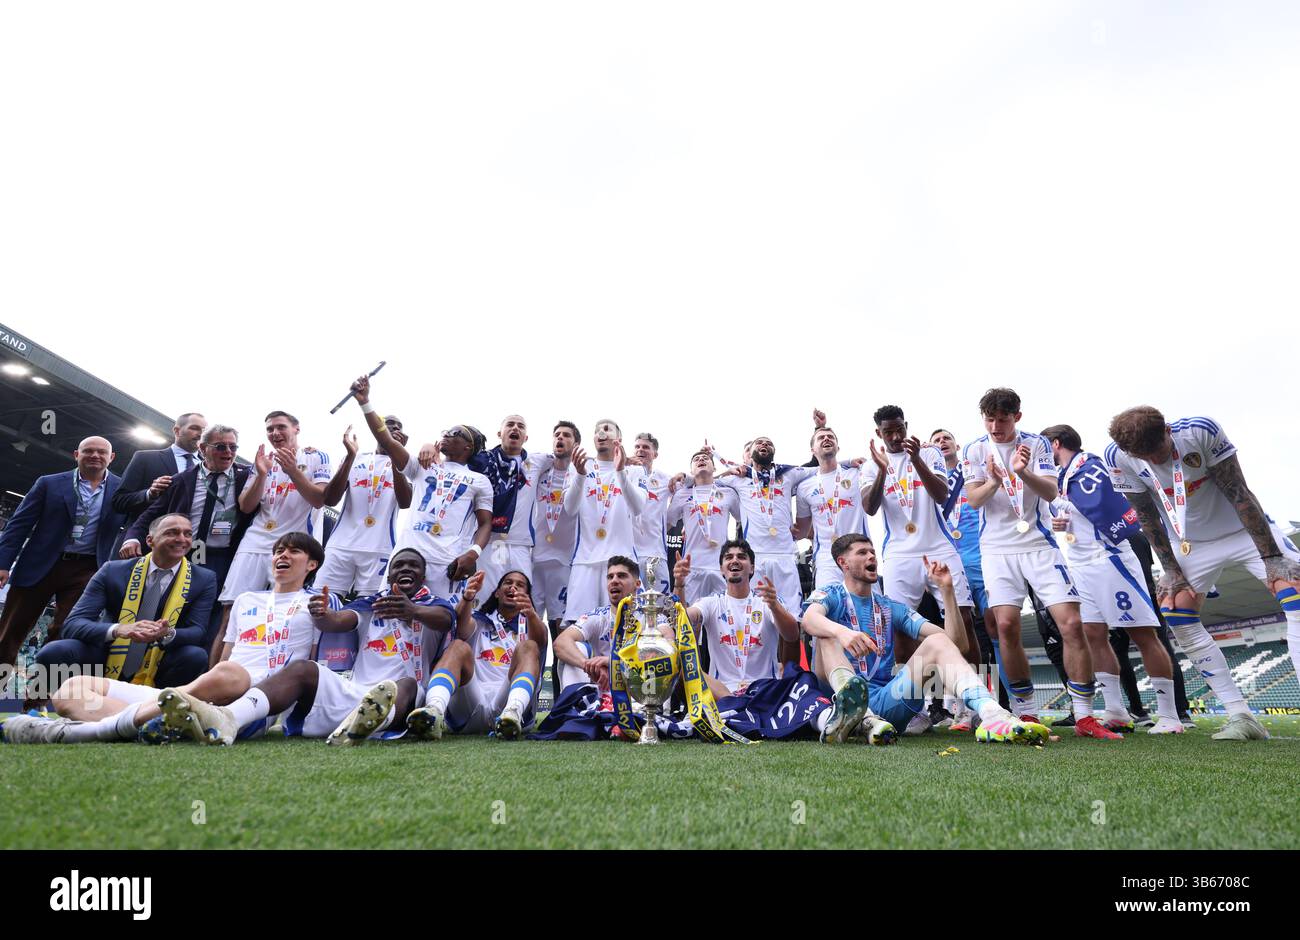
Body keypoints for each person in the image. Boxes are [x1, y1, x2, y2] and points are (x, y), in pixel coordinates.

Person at [1105, 407, 1300, 741]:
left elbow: (1239, 492)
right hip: (1191, 544)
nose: (1153, 460)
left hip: (1243, 532)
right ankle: (1240, 714)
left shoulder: (1200, 431)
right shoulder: (1117, 456)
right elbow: (1145, 515)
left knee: (1294, 592)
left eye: (1158, 452)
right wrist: (1170, 571)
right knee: (1176, 609)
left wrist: (1270, 557)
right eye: (1144, 457)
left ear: (1167, 430)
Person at [154, 547, 457, 746]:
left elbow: (445, 621)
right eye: (399, 565)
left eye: (413, 566)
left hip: (403, 699)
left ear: (423, 575)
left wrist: (412, 611)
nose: (406, 569)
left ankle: (373, 725)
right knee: (302, 669)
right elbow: (338, 622)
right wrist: (323, 615)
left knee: (402, 683)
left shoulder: (436, 604)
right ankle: (230, 717)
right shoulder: (370, 605)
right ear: (389, 575)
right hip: (357, 693)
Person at [959, 389, 1117, 739]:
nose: (995, 426)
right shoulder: (973, 449)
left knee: (1072, 624)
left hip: (1040, 546)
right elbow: (972, 500)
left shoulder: (1037, 445)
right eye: (989, 419)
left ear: (1017, 416)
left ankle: (1085, 717)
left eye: (1002, 418)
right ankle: (1027, 714)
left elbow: (1049, 492)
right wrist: (997, 480)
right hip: (997, 550)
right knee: (1006, 627)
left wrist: (1021, 472)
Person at [801, 534, 1050, 745]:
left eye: (873, 552)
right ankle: (856, 714)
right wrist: (842, 632)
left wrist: (947, 591)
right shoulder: (831, 594)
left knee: (937, 642)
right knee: (825, 633)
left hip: (885, 701)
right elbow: (809, 620)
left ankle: (992, 713)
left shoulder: (889, 607)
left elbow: (955, 645)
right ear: (843, 562)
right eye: (862, 552)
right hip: (836, 701)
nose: (872, 557)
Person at [2, 513, 217, 743]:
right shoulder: (113, 570)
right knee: (54, 652)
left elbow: (198, 631)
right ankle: (38, 709)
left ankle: (162, 715)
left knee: (195, 656)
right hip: (107, 655)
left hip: (161, 660)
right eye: (172, 532)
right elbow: (74, 623)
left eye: (187, 534)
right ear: (150, 540)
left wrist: (167, 633)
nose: (182, 539)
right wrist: (119, 630)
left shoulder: (204, 578)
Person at [1041, 423, 1184, 734]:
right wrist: (1063, 524)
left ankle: (1170, 716)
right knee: (1093, 634)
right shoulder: (1063, 476)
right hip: (1080, 563)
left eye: (1044, 448)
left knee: (1142, 633)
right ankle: (1116, 710)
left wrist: (1067, 507)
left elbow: (1104, 508)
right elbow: (1077, 518)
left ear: (1054, 444)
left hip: (1111, 560)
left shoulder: (1089, 466)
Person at [862, 406, 979, 732]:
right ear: (879, 434)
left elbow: (943, 496)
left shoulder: (929, 452)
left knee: (964, 622)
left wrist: (916, 461)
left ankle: (970, 705)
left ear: (907, 426)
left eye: (900, 429)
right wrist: (884, 470)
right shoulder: (872, 464)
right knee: (901, 630)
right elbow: (869, 507)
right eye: (889, 432)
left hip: (939, 546)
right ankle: (918, 709)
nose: (896, 436)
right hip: (899, 554)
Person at [350, 375, 493, 595]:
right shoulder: (423, 465)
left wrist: (473, 553)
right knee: (388, 611)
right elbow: (388, 441)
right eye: (445, 431)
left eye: (455, 434)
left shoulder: (479, 481)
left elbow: (485, 523)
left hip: (445, 561)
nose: (446, 435)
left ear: (468, 447)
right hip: (407, 554)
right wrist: (365, 402)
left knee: (439, 622)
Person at [118, 424, 254, 649]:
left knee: (210, 613)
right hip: (183, 554)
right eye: (220, 446)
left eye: (233, 447)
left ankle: (194, 663)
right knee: (170, 606)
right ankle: (150, 655)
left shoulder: (246, 478)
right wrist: (132, 537)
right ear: (202, 448)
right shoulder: (181, 480)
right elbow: (151, 514)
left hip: (222, 558)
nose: (228, 452)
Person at [0, 436, 125, 669]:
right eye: (88, 451)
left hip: (88, 569)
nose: (95, 456)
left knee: (68, 630)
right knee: (12, 629)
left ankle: (37, 697)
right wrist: (3, 563)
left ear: (112, 457)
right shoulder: (49, 483)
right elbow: (19, 524)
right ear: (76, 455)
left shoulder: (122, 489)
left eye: (101, 452)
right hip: (40, 564)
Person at [405, 569, 547, 740]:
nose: (513, 587)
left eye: (520, 585)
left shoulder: (532, 626)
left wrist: (530, 613)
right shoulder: (480, 621)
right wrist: (467, 597)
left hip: (509, 706)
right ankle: (433, 711)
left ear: (528, 596)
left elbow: (541, 640)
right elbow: (461, 625)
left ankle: (514, 711)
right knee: (457, 646)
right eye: (508, 583)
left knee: (529, 647)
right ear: (497, 593)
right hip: (471, 702)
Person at [219, 411, 330, 619]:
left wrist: (293, 471)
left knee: (280, 613)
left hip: (292, 546)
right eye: (270, 429)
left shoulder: (316, 456)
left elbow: (319, 500)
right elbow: (246, 506)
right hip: (255, 542)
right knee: (232, 611)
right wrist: (261, 474)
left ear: (296, 429)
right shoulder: (264, 460)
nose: (275, 433)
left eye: (281, 427)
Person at [931, 427, 1002, 723]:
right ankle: (948, 705)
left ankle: (991, 701)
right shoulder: (927, 476)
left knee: (990, 628)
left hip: (977, 554)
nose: (941, 442)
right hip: (945, 554)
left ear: (957, 444)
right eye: (935, 441)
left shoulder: (973, 470)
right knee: (944, 630)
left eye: (946, 438)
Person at [714, 435, 815, 609]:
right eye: (759, 443)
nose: (764, 444)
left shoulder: (788, 474)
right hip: (755, 556)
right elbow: (706, 481)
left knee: (791, 612)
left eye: (769, 443)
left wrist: (850, 462)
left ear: (774, 452)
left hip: (785, 554)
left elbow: (821, 469)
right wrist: (728, 471)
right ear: (750, 453)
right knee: (755, 612)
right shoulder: (739, 478)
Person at [316, 417, 412, 597]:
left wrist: (396, 456)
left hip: (379, 547)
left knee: (370, 608)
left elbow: (405, 502)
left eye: (399, 425)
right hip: (341, 545)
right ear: (377, 428)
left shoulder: (407, 463)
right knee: (322, 601)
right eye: (389, 423)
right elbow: (329, 500)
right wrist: (350, 458)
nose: (395, 427)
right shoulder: (356, 457)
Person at [562, 419, 647, 620]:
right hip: (586, 561)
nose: (601, 433)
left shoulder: (634, 471)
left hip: (622, 561)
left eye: (607, 429)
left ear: (618, 439)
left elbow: (637, 508)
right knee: (580, 627)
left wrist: (620, 472)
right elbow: (570, 509)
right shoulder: (579, 466)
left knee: (630, 625)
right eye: (597, 430)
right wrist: (581, 475)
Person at [466, 415, 555, 596]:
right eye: (510, 425)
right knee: (483, 597)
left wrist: (626, 460)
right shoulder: (481, 460)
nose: (515, 428)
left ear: (526, 437)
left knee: (519, 600)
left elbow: (566, 458)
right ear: (500, 433)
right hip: (487, 542)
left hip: (520, 545)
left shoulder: (537, 461)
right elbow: (453, 461)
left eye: (521, 426)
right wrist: (430, 448)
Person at [552, 555, 654, 693]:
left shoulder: (650, 615)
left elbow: (666, 649)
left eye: (622, 576)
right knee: (577, 647)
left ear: (637, 584)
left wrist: (612, 663)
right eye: (610, 577)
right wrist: (589, 665)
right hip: (603, 691)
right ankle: (576, 709)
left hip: (640, 693)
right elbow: (561, 642)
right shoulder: (598, 616)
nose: (614, 581)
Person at [111, 412, 207, 552]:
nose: (200, 434)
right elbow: (118, 502)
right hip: (140, 544)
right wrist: (149, 494)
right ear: (177, 430)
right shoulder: (145, 458)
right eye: (195, 428)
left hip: (186, 550)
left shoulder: (208, 469)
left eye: (204, 431)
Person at [794, 423, 869, 590]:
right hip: (826, 559)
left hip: (859, 552)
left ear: (838, 447)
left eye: (831, 437)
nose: (826, 439)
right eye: (821, 438)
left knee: (866, 609)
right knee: (828, 608)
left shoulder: (858, 472)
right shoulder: (805, 486)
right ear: (812, 450)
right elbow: (802, 529)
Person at [667, 449, 741, 603]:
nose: (701, 459)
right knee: (690, 620)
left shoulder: (728, 493)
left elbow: (746, 519)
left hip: (720, 567)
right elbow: (666, 525)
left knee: (723, 619)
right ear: (691, 471)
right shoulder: (681, 494)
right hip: (692, 567)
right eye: (696, 459)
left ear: (714, 469)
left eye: (706, 458)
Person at [531, 421, 580, 627]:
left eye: (567, 435)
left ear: (576, 444)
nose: (560, 438)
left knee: (559, 621)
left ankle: (561, 661)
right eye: (557, 434)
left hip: (564, 560)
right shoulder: (540, 470)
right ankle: (533, 661)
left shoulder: (581, 474)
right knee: (530, 619)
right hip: (534, 557)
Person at [630, 432, 673, 595]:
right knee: (629, 610)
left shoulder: (664, 479)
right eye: (637, 447)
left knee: (660, 608)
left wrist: (683, 476)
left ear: (655, 454)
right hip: (629, 554)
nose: (640, 450)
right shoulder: (623, 474)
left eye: (646, 447)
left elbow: (692, 483)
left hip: (655, 555)